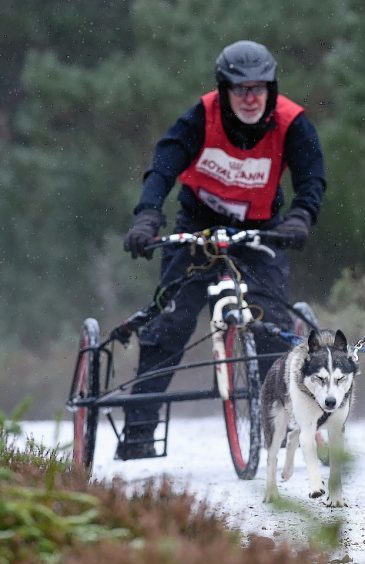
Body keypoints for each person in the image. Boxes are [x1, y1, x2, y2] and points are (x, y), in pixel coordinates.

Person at [117, 40, 326, 460]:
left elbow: (311, 179)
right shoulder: (201, 117)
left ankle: (283, 426)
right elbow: (162, 168)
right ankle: (139, 431)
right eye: (239, 88)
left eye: (258, 88)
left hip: (260, 233)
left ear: (271, 88)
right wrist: (146, 216)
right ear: (224, 88)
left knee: (270, 325)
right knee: (170, 323)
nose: (249, 97)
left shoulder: (292, 122)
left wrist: (301, 216)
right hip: (198, 229)